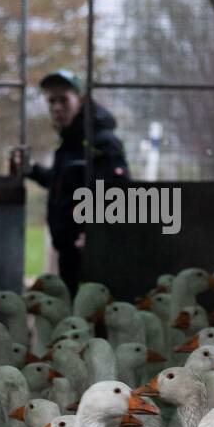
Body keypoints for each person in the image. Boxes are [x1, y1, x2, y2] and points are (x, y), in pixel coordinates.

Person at [14, 70, 130, 295]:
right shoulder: (70, 143)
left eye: (64, 99)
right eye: (51, 101)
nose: (57, 108)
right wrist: (32, 171)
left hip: (91, 249)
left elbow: (119, 192)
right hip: (69, 249)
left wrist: (97, 232)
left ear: (81, 99)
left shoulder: (101, 143)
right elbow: (65, 183)